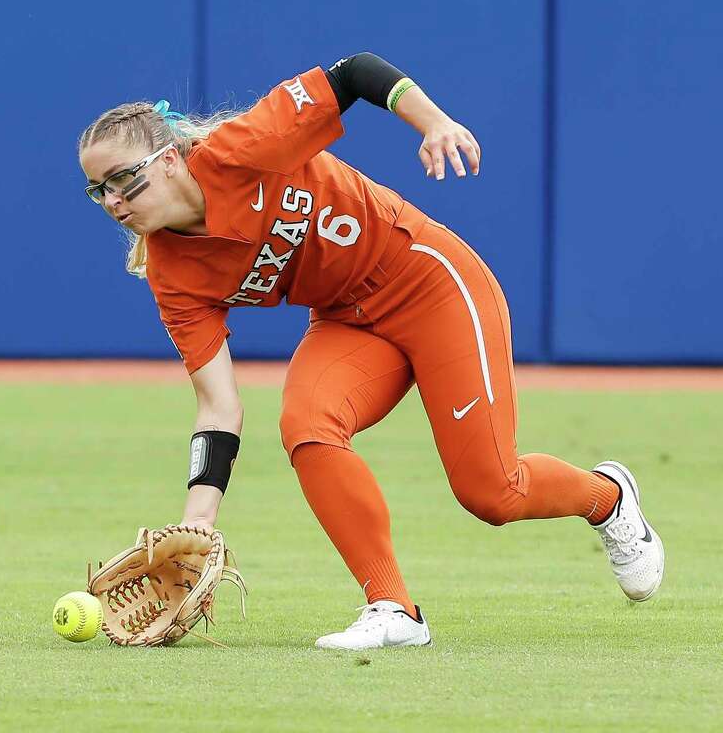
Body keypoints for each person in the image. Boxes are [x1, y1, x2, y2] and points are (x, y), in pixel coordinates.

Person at [77, 53, 664, 651]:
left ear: (170, 158)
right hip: (348, 321)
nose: (113, 200)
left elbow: (354, 72)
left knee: (492, 493)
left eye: (124, 178)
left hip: (430, 283)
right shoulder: (172, 277)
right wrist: (198, 519)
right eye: (98, 189)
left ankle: (609, 498)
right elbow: (218, 408)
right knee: (307, 425)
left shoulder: (241, 150)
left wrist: (433, 122)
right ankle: (393, 608)